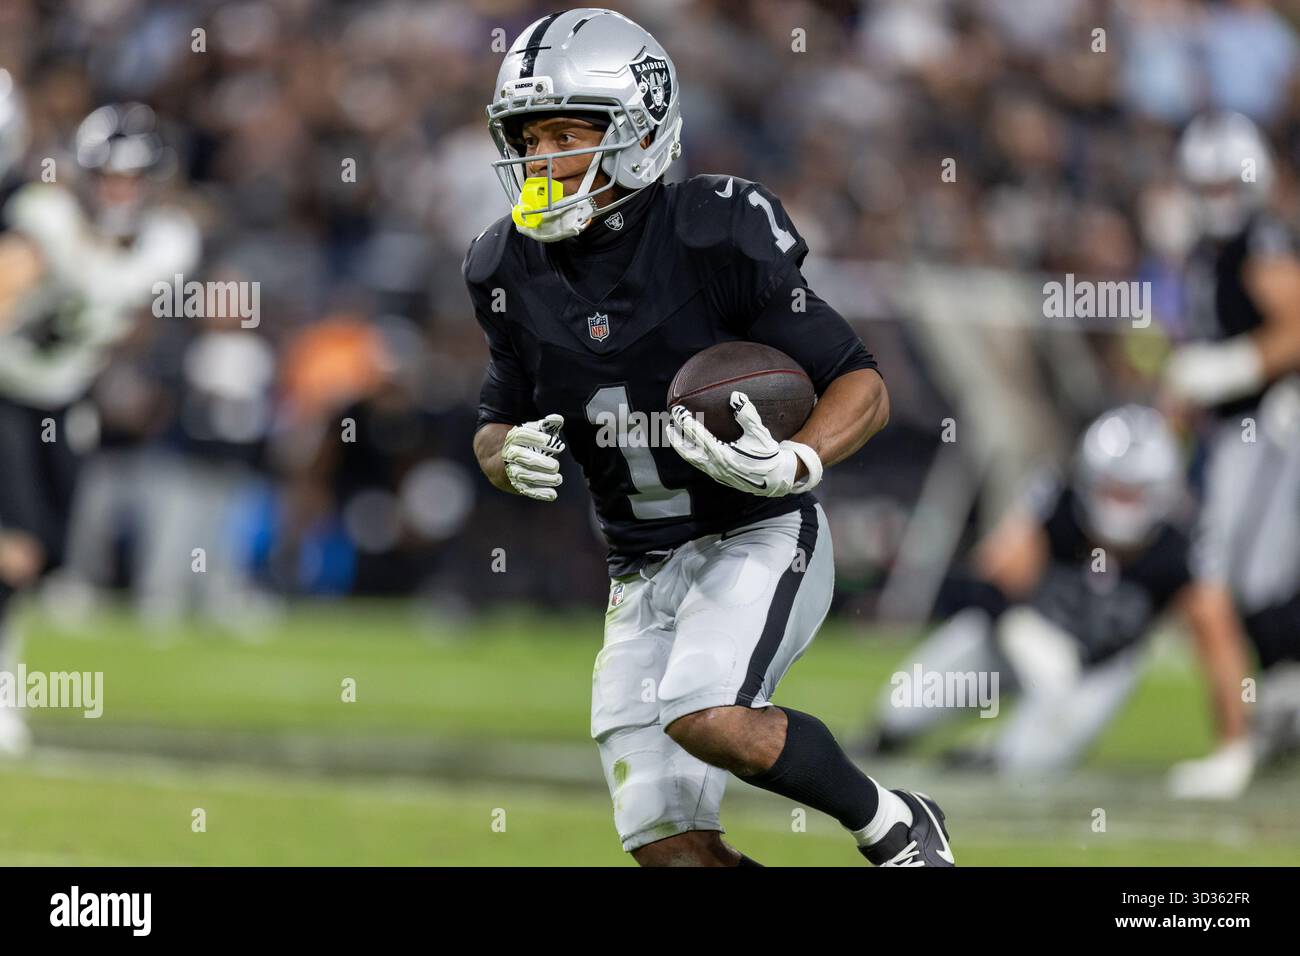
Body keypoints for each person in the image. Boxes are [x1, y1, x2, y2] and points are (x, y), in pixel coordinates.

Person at [466, 8, 952, 866]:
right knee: (668, 845)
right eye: (529, 138)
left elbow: (862, 383)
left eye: (568, 135)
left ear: (639, 133)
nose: (541, 160)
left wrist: (798, 458)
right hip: (636, 567)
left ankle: (894, 823)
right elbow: (492, 419)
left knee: (709, 713)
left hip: (756, 530)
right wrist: (506, 455)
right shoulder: (503, 265)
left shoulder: (714, 230)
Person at [862, 406, 1252, 780]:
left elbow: (1220, 643)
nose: (1119, 504)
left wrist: (1233, 750)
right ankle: (885, 738)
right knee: (903, 708)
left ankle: (986, 753)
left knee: (1024, 763)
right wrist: (1019, 627)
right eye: (1112, 489)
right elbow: (982, 585)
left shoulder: (1183, 544)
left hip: (1094, 671)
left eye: (1132, 494)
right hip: (1015, 642)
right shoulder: (1057, 503)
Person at [0, 101, 199, 753]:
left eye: (131, 178)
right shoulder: (43, 219)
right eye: (108, 175)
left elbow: (120, 310)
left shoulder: (169, 242)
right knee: (15, 553)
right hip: (6, 392)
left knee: (48, 554)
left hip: (62, 403)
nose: (118, 190)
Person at [1161, 112, 1300, 796]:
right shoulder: (1205, 249)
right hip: (1234, 434)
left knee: (1214, 577)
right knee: (1255, 585)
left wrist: (1226, 369)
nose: (1216, 197)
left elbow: (1296, 326)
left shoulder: (1263, 235)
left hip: (1271, 427)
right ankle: (1276, 712)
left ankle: (1235, 743)